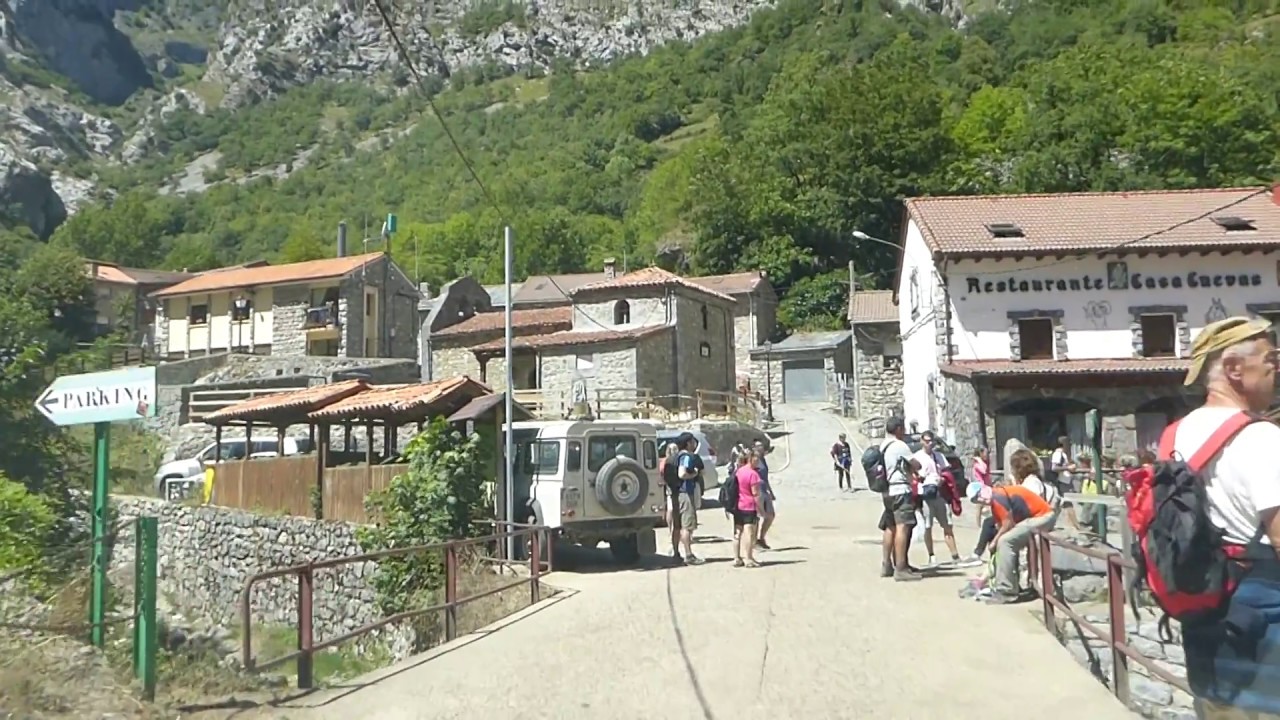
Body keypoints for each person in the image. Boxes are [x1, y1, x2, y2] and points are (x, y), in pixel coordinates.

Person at [1167, 317, 1280, 718]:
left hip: (1200, 608)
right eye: (1271, 357)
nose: (1277, 367)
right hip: (1264, 620)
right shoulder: (1262, 437)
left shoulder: (1174, 435)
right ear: (1234, 368)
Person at [966, 480, 1056, 604]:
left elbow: (1007, 523)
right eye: (976, 500)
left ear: (985, 488)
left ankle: (1007, 590)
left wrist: (994, 542)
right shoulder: (995, 502)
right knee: (1005, 541)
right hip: (1036, 517)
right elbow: (1001, 525)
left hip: (1042, 516)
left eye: (979, 494)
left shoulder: (998, 496)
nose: (980, 499)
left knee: (1005, 542)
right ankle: (1010, 584)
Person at [878, 417, 920, 581]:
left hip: (887, 491)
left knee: (890, 526)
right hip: (900, 489)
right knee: (903, 527)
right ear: (898, 429)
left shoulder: (883, 446)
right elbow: (916, 464)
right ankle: (901, 568)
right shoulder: (899, 446)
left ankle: (887, 564)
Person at [912, 431, 961, 566]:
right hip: (926, 495)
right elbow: (913, 475)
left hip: (939, 494)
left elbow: (947, 472)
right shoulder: (917, 457)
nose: (929, 444)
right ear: (922, 441)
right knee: (928, 527)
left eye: (931, 441)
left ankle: (955, 555)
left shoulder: (939, 456)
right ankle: (931, 555)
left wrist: (943, 479)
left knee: (947, 525)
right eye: (926, 441)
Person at [675, 432, 705, 566]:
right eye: (692, 441)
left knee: (683, 525)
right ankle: (688, 554)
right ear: (688, 443)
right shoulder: (686, 457)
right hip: (685, 493)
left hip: (680, 493)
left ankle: (681, 552)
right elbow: (682, 474)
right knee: (687, 525)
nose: (694, 444)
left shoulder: (678, 456)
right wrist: (695, 473)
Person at [732, 450, 763, 568]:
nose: (758, 462)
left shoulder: (739, 471)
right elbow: (756, 494)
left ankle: (736, 558)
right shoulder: (753, 474)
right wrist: (761, 509)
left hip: (738, 505)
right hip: (749, 506)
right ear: (751, 459)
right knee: (749, 533)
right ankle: (748, 558)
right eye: (757, 459)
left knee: (737, 532)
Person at [1050, 435, 1082, 531]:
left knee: (1059, 503)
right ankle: (1077, 526)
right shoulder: (1058, 454)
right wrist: (1068, 468)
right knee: (1068, 502)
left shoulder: (1065, 454)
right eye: (1068, 443)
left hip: (1067, 480)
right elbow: (1054, 468)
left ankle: (1050, 522)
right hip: (1062, 481)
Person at [660, 442, 683, 561]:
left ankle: (671, 531)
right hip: (672, 489)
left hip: (668, 488)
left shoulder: (665, 461)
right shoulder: (671, 461)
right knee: (672, 511)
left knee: (671, 509)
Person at [753, 439, 776, 550]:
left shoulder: (763, 460)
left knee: (770, 515)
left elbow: (765, 478)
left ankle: (761, 538)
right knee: (756, 517)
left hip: (764, 490)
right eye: (758, 446)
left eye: (761, 446)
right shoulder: (753, 461)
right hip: (756, 491)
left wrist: (770, 492)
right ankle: (754, 542)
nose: (760, 448)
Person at [971, 447, 991, 528]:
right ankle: (978, 526)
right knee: (979, 506)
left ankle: (985, 522)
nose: (987, 455)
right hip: (980, 488)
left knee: (986, 505)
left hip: (986, 487)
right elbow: (984, 470)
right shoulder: (977, 465)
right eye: (986, 453)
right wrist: (979, 460)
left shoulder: (985, 463)